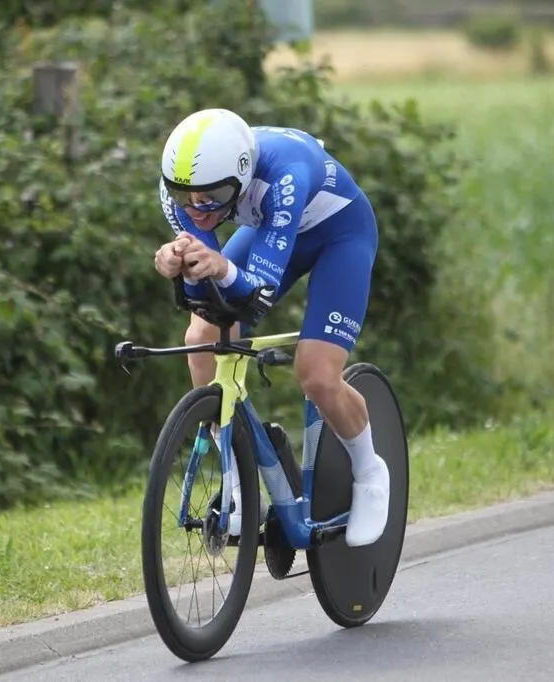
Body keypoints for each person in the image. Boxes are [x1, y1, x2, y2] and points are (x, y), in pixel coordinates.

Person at [152, 108, 389, 548]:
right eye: (187, 198)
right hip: (272, 230)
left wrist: (218, 267)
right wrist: (180, 262)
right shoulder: (179, 192)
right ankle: (235, 471)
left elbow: (256, 293)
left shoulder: (285, 174)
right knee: (201, 336)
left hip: (339, 234)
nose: (197, 209)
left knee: (316, 375)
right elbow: (207, 281)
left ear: (240, 178)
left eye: (211, 198)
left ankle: (371, 470)